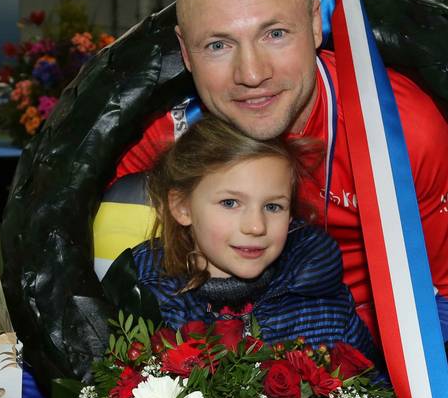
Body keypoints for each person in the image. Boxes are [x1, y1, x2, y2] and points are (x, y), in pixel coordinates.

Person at [114, 0, 448, 344]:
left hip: (366, 347)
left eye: (275, 34)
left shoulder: (408, 132)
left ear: (313, 23)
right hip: (208, 352)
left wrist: (373, 387)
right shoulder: (165, 135)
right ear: (184, 51)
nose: (251, 74)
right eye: (218, 45)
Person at [131, 117, 381, 364]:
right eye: (230, 203)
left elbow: (375, 390)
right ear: (182, 207)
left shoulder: (322, 303)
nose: (256, 226)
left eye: (273, 206)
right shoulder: (145, 305)